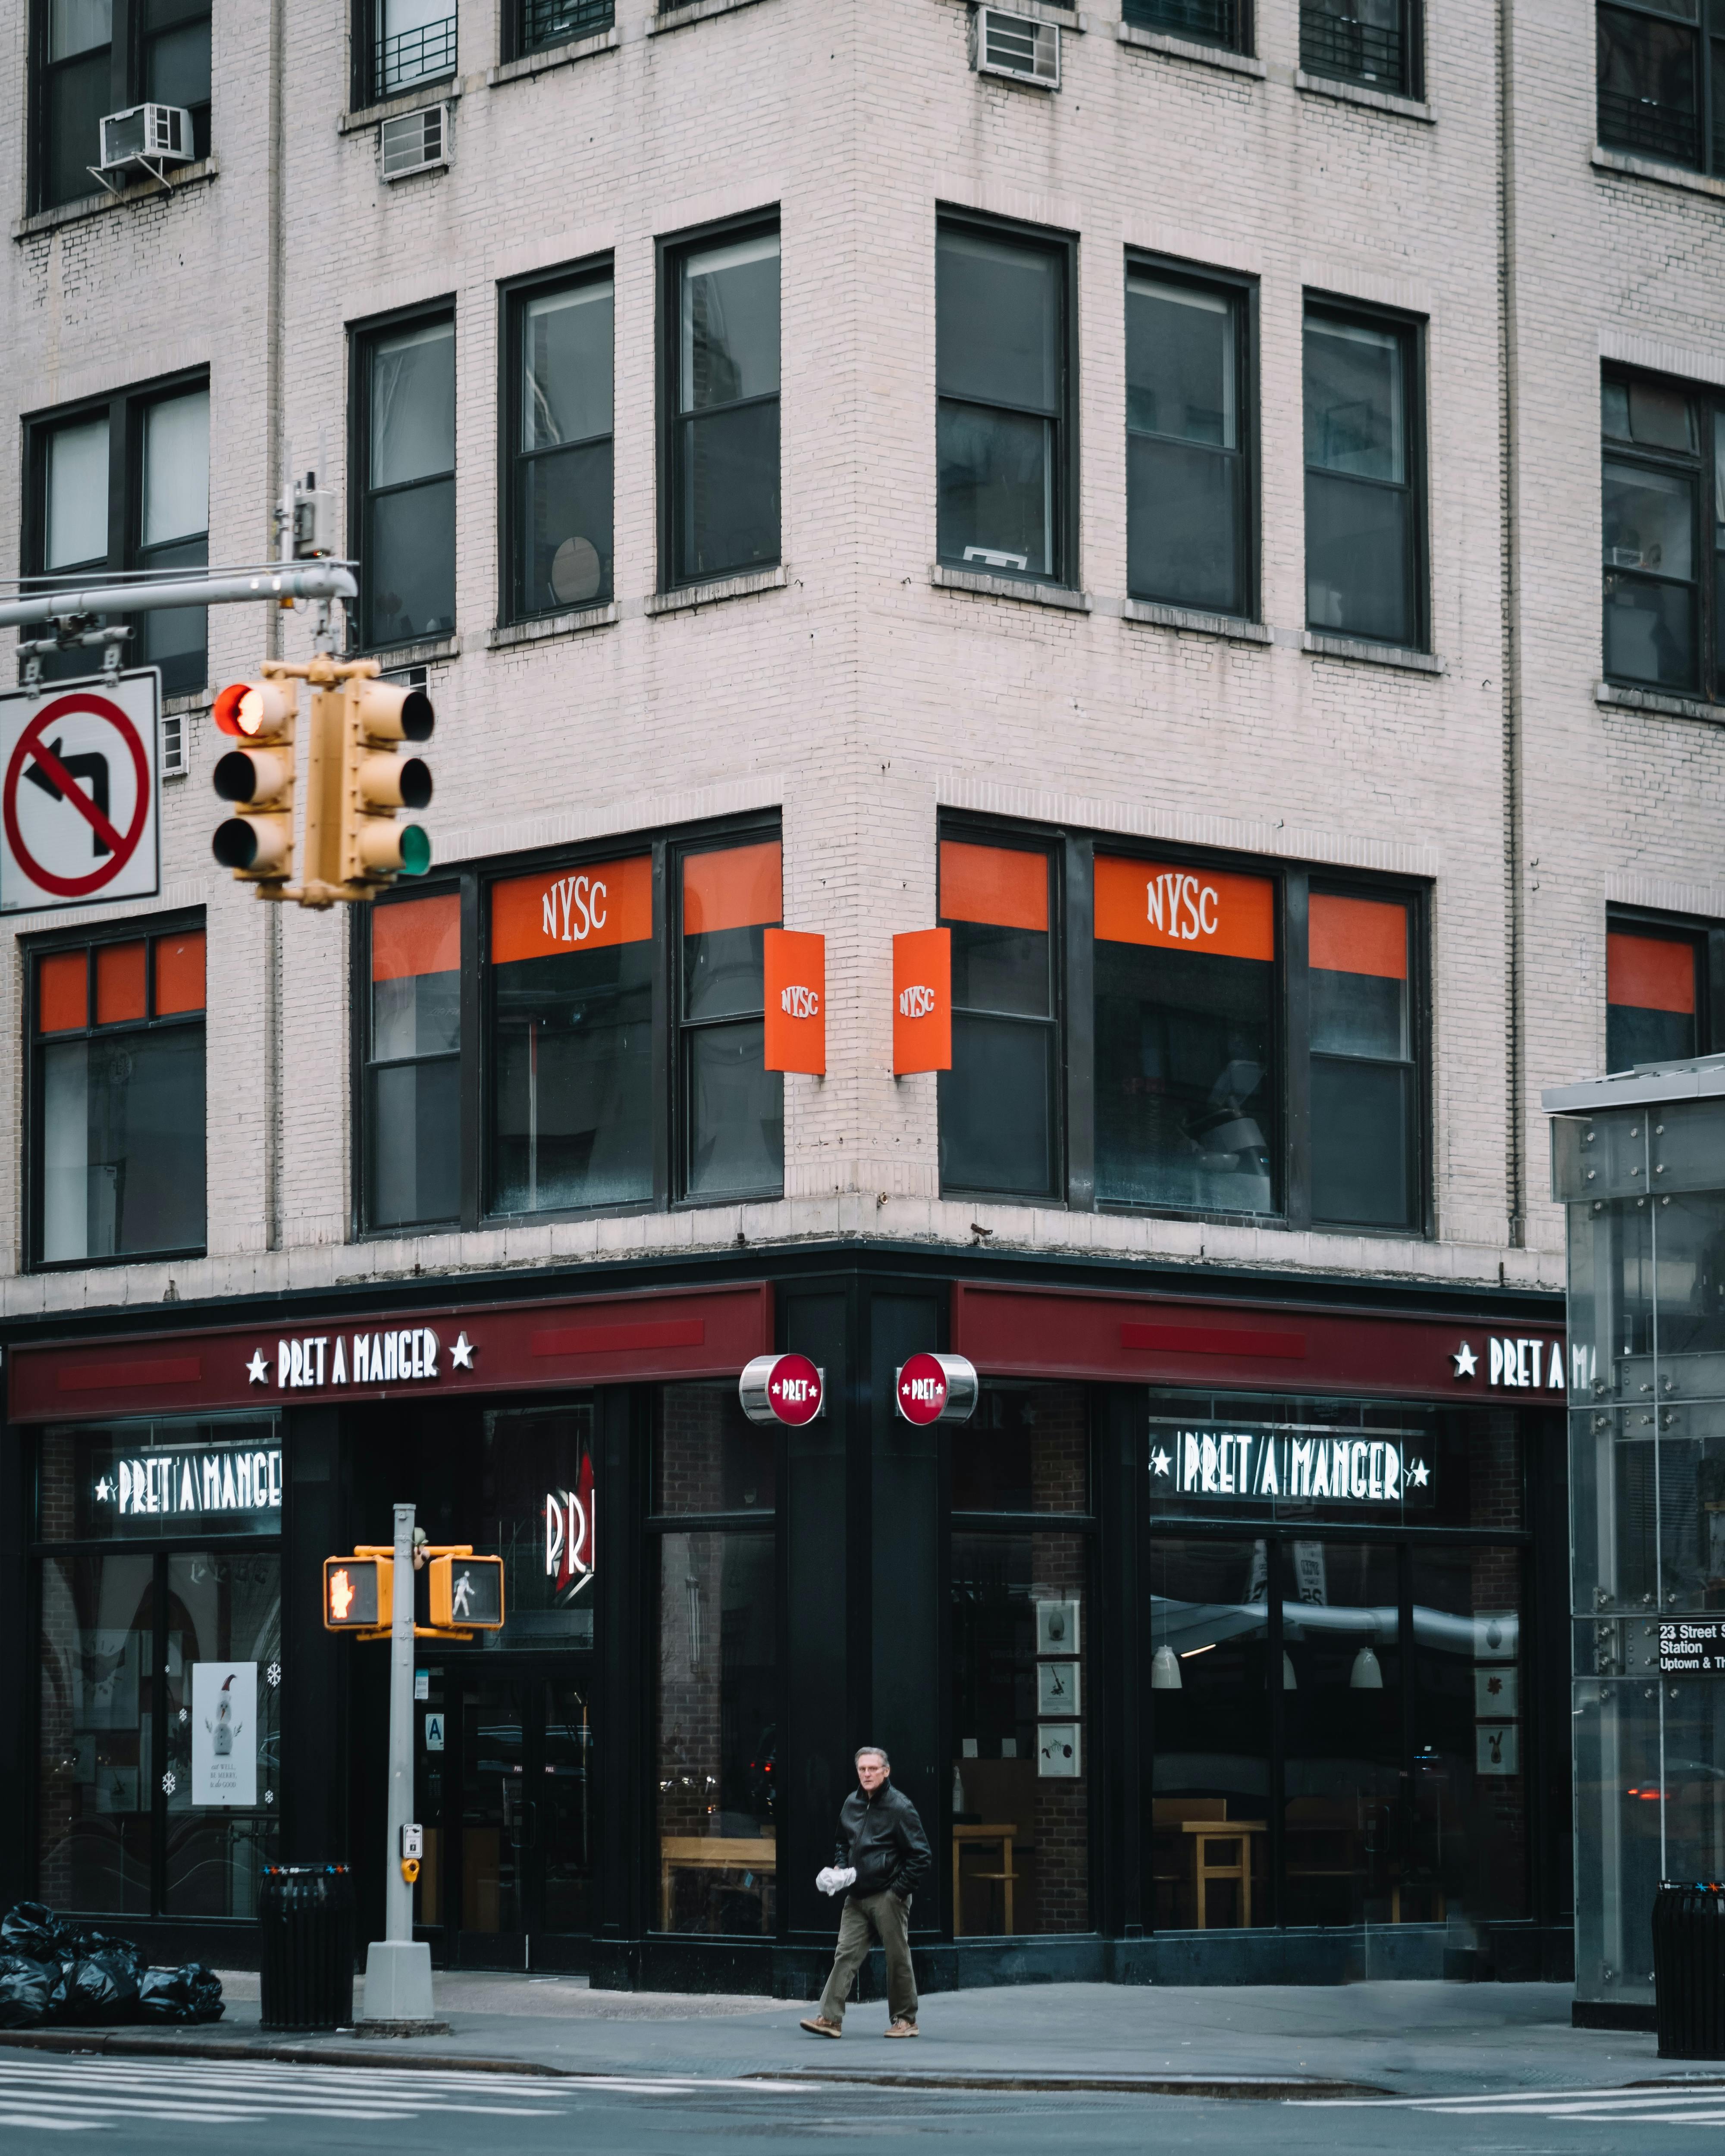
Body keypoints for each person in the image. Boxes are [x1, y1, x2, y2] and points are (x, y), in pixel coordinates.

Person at [800, 1744, 929, 2040]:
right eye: (862, 1769)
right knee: (845, 1954)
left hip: (888, 1894)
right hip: (856, 1893)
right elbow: (842, 1843)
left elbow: (921, 1855)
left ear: (886, 1772)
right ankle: (830, 2019)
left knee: (897, 1957)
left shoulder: (900, 1807)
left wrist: (898, 1891)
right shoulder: (852, 1803)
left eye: (873, 1769)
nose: (868, 1774)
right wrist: (840, 1870)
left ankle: (906, 2020)